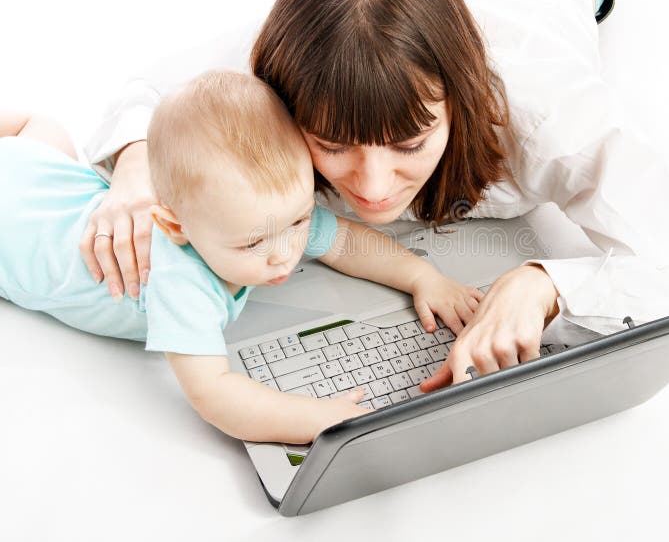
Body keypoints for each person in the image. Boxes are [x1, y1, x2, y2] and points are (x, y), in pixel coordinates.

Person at [81, 0, 669, 395]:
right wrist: (137, 171)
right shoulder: (301, 62)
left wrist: (545, 283)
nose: (371, 189)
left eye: (409, 144)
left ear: (456, 101)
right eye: (333, 144)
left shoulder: (546, 105)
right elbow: (146, 94)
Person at [0, 70, 484, 444]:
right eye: (253, 246)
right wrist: (315, 419)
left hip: (39, 175)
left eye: (297, 223)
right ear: (175, 226)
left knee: (37, 130)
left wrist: (422, 276)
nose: (284, 258)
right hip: (11, 224)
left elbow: (345, 243)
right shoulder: (179, 278)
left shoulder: (264, 218)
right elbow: (214, 393)